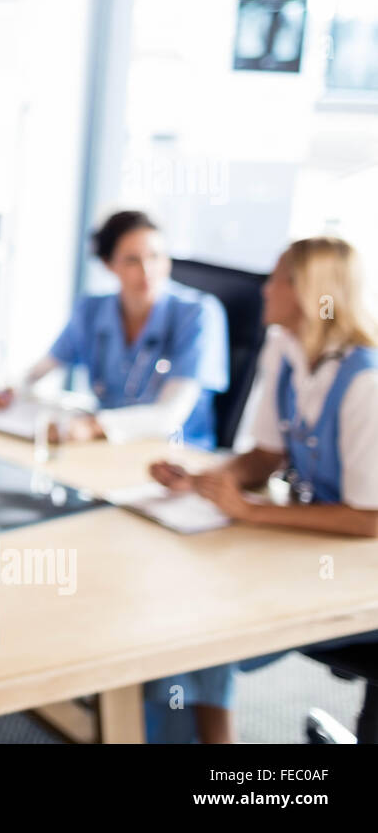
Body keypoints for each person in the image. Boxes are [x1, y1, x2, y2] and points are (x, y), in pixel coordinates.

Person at [145, 235, 378, 743]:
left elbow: (369, 518)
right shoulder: (287, 349)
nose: (264, 289)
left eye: (276, 279)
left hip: (366, 578)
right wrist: (208, 481)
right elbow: (267, 456)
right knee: (186, 621)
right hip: (316, 552)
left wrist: (249, 511)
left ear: (307, 291)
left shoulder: (366, 381)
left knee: (202, 633)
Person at [0, 210, 229, 449]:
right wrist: (10, 389)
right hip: (107, 448)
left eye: (156, 256)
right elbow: (40, 370)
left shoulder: (199, 314)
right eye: (132, 260)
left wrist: (93, 426)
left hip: (176, 456)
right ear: (108, 264)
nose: (147, 270)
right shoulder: (91, 311)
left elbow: (169, 416)